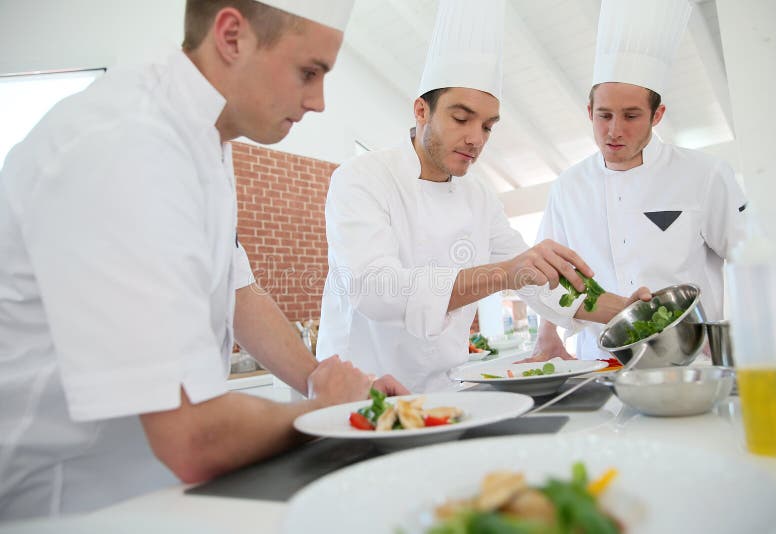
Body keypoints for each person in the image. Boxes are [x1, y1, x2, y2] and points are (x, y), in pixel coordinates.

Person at [0, 0, 406, 521]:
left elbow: (239, 292)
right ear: (232, 36)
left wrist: (320, 378)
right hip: (58, 505)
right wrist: (328, 410)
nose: (320, 101)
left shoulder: (206, 137)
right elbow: (192, 438)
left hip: (150, 495)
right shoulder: (126, 141)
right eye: (309, 72)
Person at [316, 0, 650, 393]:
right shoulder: (361, 178)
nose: (476, 138)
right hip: (362, 395)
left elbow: (536, 280)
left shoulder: (478, 196)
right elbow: (377, 291)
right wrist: (504, 272)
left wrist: (630, 310)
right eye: (461, 118)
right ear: (421, 110)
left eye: (488, 126)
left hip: (447, 394)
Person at [529, 0, 747, 362]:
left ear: (657, 115)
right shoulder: (568, 187)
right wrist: (546, 336)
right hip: (600, 365)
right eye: (604, 115)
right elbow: (550, 275)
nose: (614, 131)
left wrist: (738, 337)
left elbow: (749, 260)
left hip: (692, 360)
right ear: (589, 112)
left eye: (631, 116)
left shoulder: (705, 174)